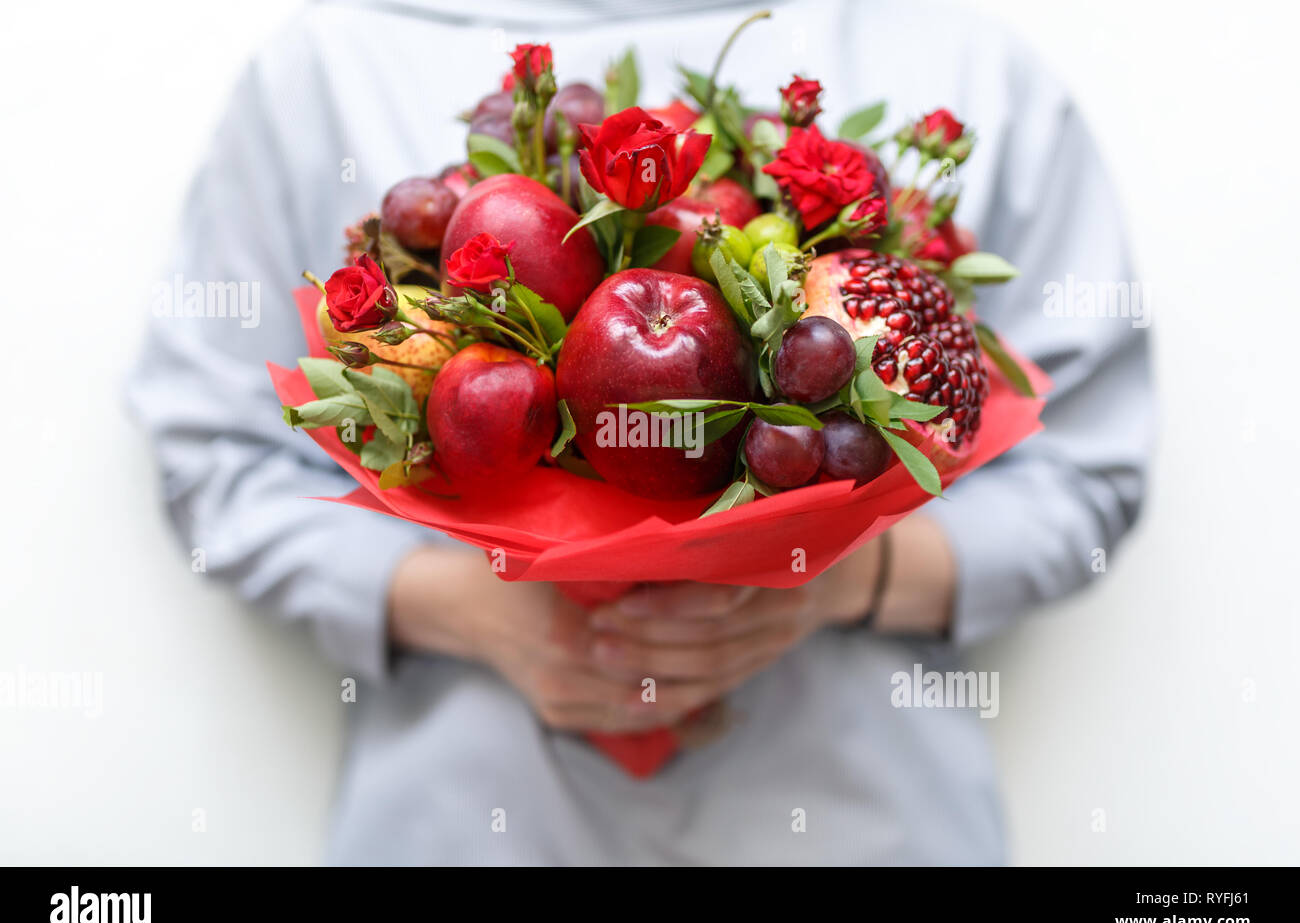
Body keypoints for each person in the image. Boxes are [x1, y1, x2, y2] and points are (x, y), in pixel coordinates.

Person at [128, 0, 1152, 864]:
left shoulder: (955, 51)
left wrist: (849, 579)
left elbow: (1086, 466)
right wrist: (464, 607)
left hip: (854, 814)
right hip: (473, 817)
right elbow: (212, 447)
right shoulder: (329, 65)